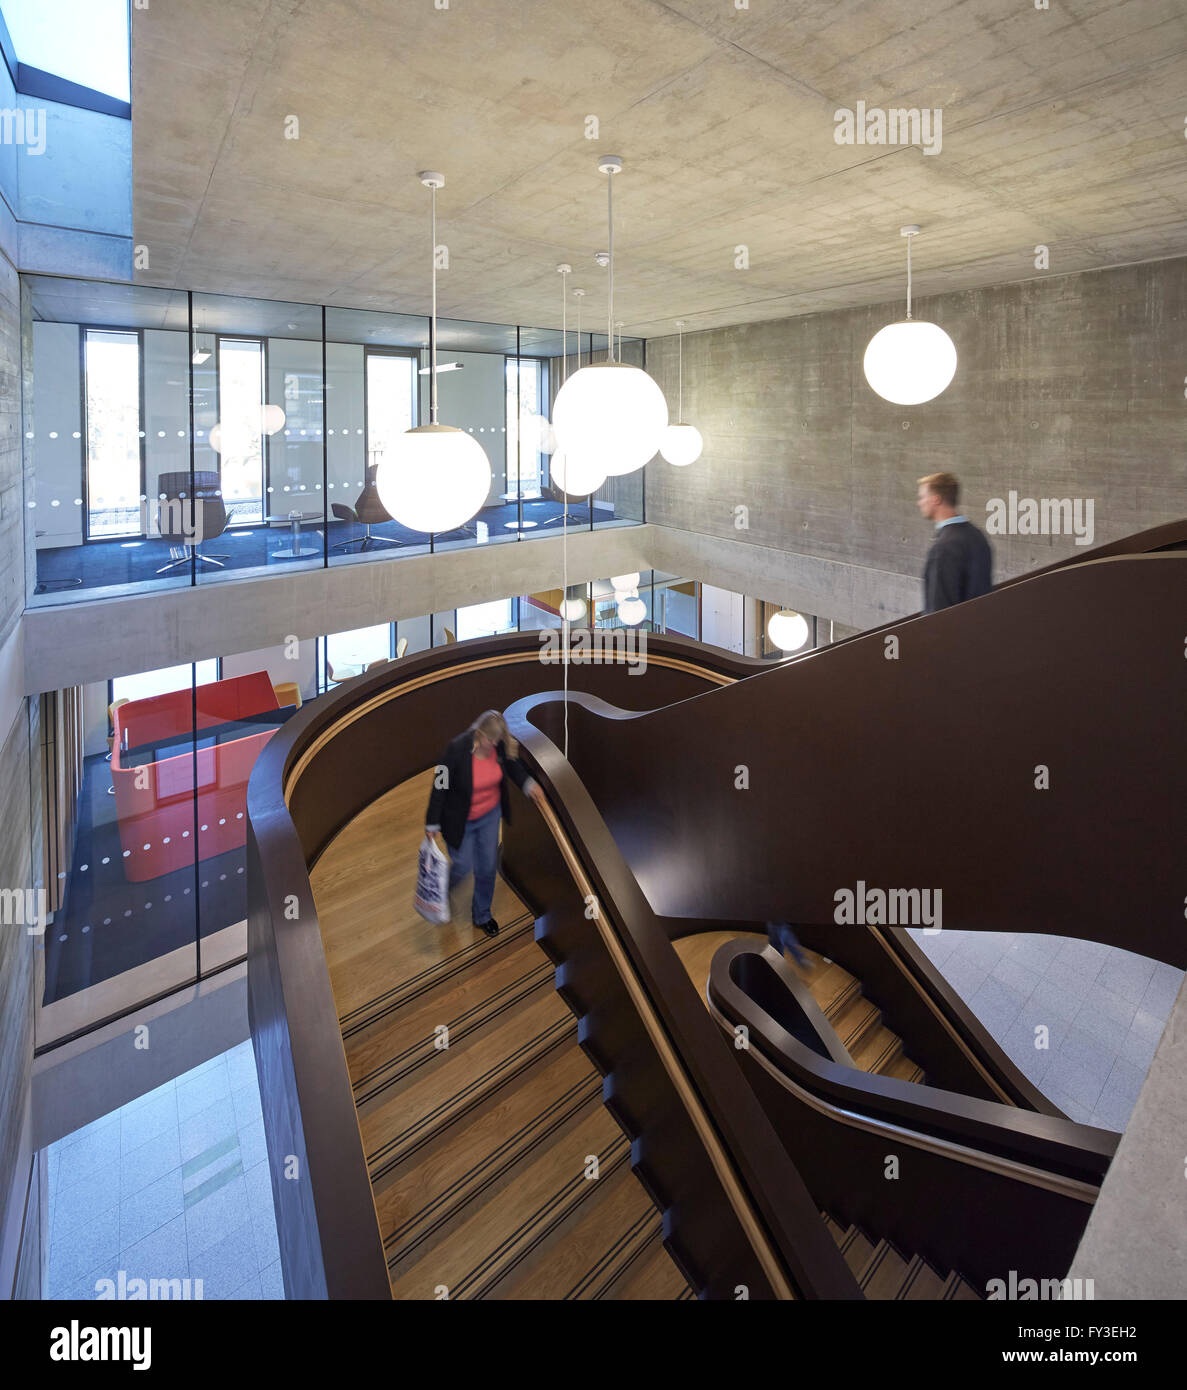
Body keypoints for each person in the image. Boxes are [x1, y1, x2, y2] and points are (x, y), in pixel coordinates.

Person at [425, 710, 546, 938]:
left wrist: (529, 785)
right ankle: (443, 891)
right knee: (462, 865)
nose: (494, 745)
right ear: (478, 734)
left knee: (487, 867)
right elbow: (439, 786)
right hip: (460, 819)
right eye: (490, 740)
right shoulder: (456, 750)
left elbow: (513, 766)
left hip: (489, 815)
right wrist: (432, 823)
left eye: (497, 740)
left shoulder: (497, 745)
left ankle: (482, 914)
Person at [917, 472, 992, 613]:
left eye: (922, 497)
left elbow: (938, 611)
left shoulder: (944, 548)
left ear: (936, 500)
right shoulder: (977, 536)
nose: (919, 503)